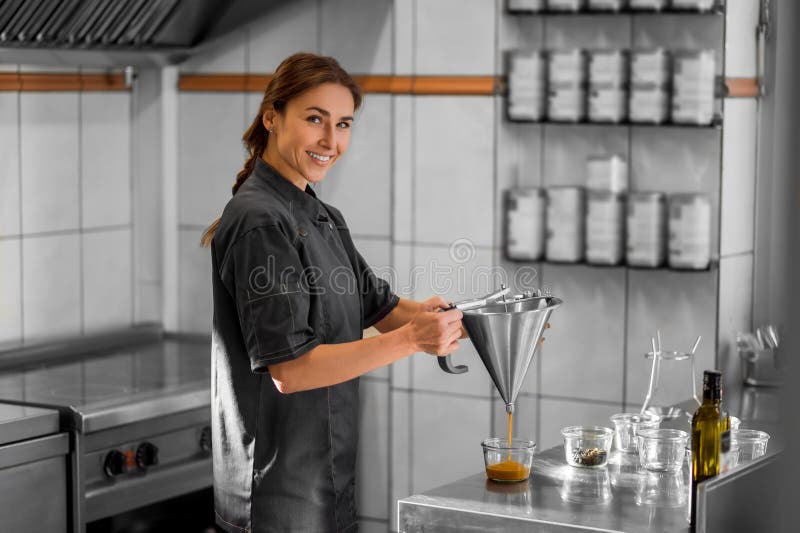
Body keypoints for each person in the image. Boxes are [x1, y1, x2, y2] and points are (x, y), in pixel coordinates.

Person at [200, 52, 465, 533]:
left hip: (326, 486)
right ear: (272, 117)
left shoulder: (320, 215)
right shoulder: (260, 220)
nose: (331, 140)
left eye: (343, 124)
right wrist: (411, 340)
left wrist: (478, 323)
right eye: (315, 119)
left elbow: (383, 310)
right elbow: (292, 370)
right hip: (276, 499)